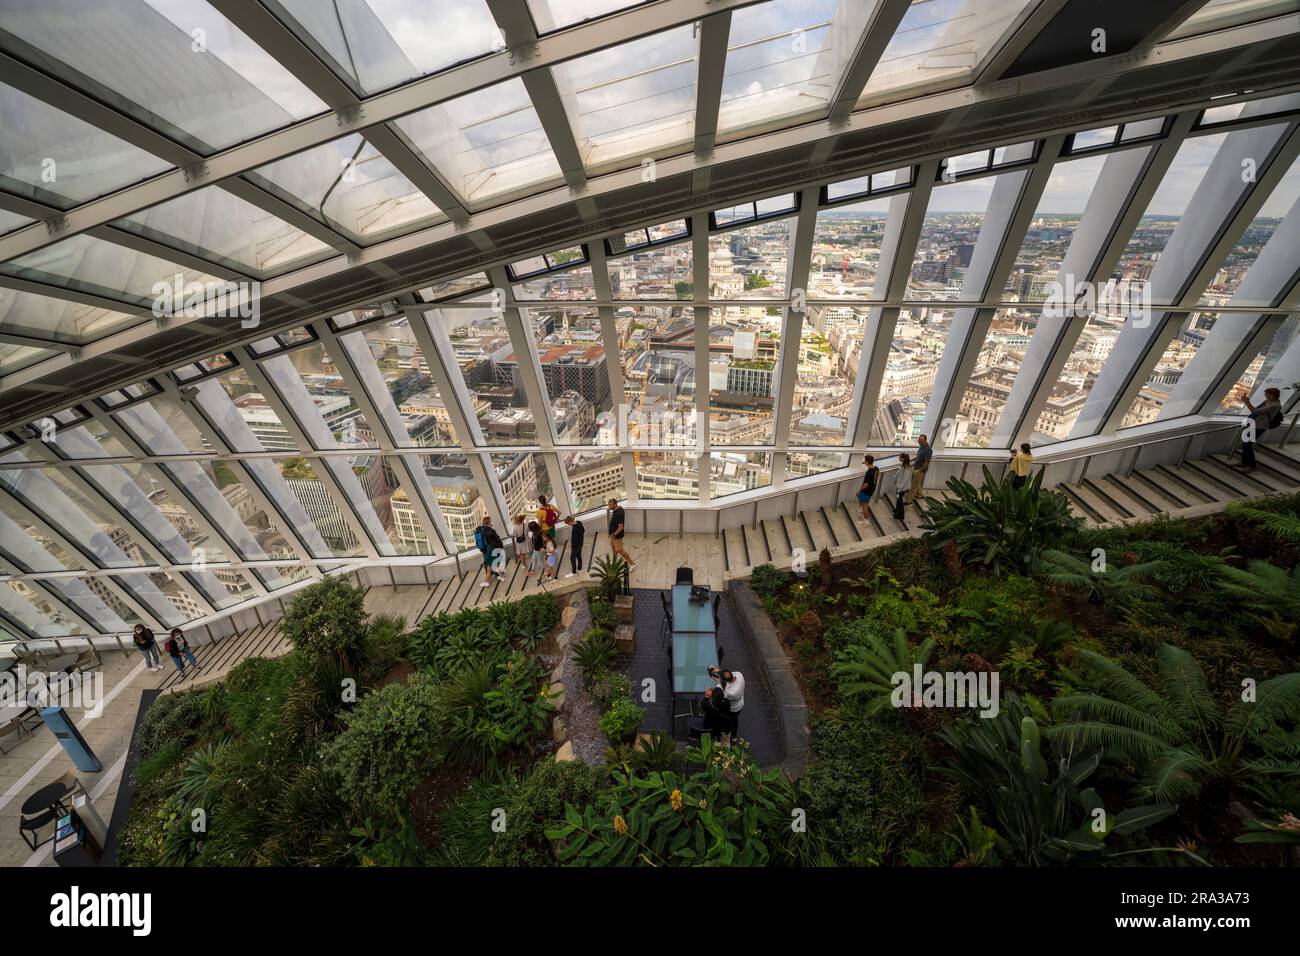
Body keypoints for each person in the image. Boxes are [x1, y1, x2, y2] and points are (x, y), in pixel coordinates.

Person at [1240, 387, 1283, 472]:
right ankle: (1244, 463)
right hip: (1254, 424)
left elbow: (1255, 411)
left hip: (1259, 427)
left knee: (1247, 445)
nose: (1265, 395)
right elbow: (1257, 410)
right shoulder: (1268, 401)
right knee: (1245, 444)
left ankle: (1252, 466)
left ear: (1272, 395)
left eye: (1266, 394)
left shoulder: (1275, 405)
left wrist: (1247, 401)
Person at [709, 666, 745, 740]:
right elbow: (729, 674)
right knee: (735, 720)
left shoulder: (731, 693)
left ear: (725, 681)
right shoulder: (739, 675)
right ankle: (733, 735)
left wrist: (718, 682)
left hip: (733, 709)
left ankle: (732, 737)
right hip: (740, 703)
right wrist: (720, 671)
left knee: (731, 722)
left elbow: (721, 694)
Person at [473, 514, 505, 588]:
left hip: (485, 551)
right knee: (493, 566)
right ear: (489, 522)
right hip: (492, 551)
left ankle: (487, 581)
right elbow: (497, 541)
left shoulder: (479, 530)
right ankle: (500, 577)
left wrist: (485, 562)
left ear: (483, 523)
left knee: (490, 568)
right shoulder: (491, 531)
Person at [607, 498, 635, 568]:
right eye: (608, 505)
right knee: (613, 548)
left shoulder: (618, 514)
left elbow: (621, 527)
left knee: (619, 550)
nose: (609, 507)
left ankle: (632, 564)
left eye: (610, 505)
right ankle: (614, 562)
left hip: (617, 536)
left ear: (615, 504)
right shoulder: (619, 509)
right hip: (613, 536)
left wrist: (614, 534)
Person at [908, 434, 931, 505]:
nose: (919, 442)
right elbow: (918, 456)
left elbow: (927, 462)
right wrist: (910, 460)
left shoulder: (928, 450)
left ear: (925, 440)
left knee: (914, 485)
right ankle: (919, 495)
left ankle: (909, 501)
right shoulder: (921, 447)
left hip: (920, 470)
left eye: (921, 441)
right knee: (917, 483)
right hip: (916, 468)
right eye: (918, 441)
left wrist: (919, 470)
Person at [891, 453, 913, 523]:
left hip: (901, 488)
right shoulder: (904, 466)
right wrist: (896, 480)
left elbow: (905, 480)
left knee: (899, 499)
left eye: (900, 457)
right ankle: (897, 510)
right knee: (898, 498)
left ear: (903, 459)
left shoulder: (906, 468)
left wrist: (900, 488)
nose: (899, 458)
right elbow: (899, 475)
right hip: (900, 486)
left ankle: (900, 515)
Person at [857, 454, 879, 520]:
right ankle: (862, 508)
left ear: (867, 462)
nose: (864, 461)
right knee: (864, 500)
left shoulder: (869, 472)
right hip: (872, 489)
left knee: (865, 505)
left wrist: (860, 490)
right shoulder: (876, 468)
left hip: (866, 491)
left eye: (865, 460)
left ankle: (866, 520)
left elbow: (866, 484)